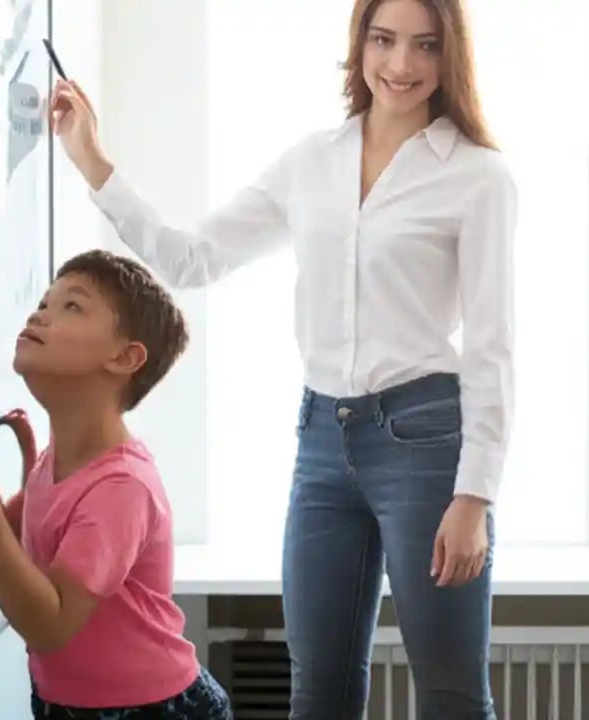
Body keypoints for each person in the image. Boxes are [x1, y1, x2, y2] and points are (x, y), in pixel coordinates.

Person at [48, 1, 516, 717]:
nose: (401, 65)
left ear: (450, 57)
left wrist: (474, 496)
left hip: (427, 443)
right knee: (318, 690)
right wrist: (92, 160)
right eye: (384, 41)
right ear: (359, 44)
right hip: (323, 439)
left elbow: (492, 346)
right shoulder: (312, 162)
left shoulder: (478, 177)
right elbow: (192, 259)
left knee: (451, 694)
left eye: (425, 47)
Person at [0, 250, 232, 719]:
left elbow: (49, 625)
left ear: (125, 357)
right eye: (45, 302)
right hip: (72, 703)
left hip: (152, 709)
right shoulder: (57, 461)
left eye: (71, 306)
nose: (40, 313)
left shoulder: (121, 487)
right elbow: (15, 543)